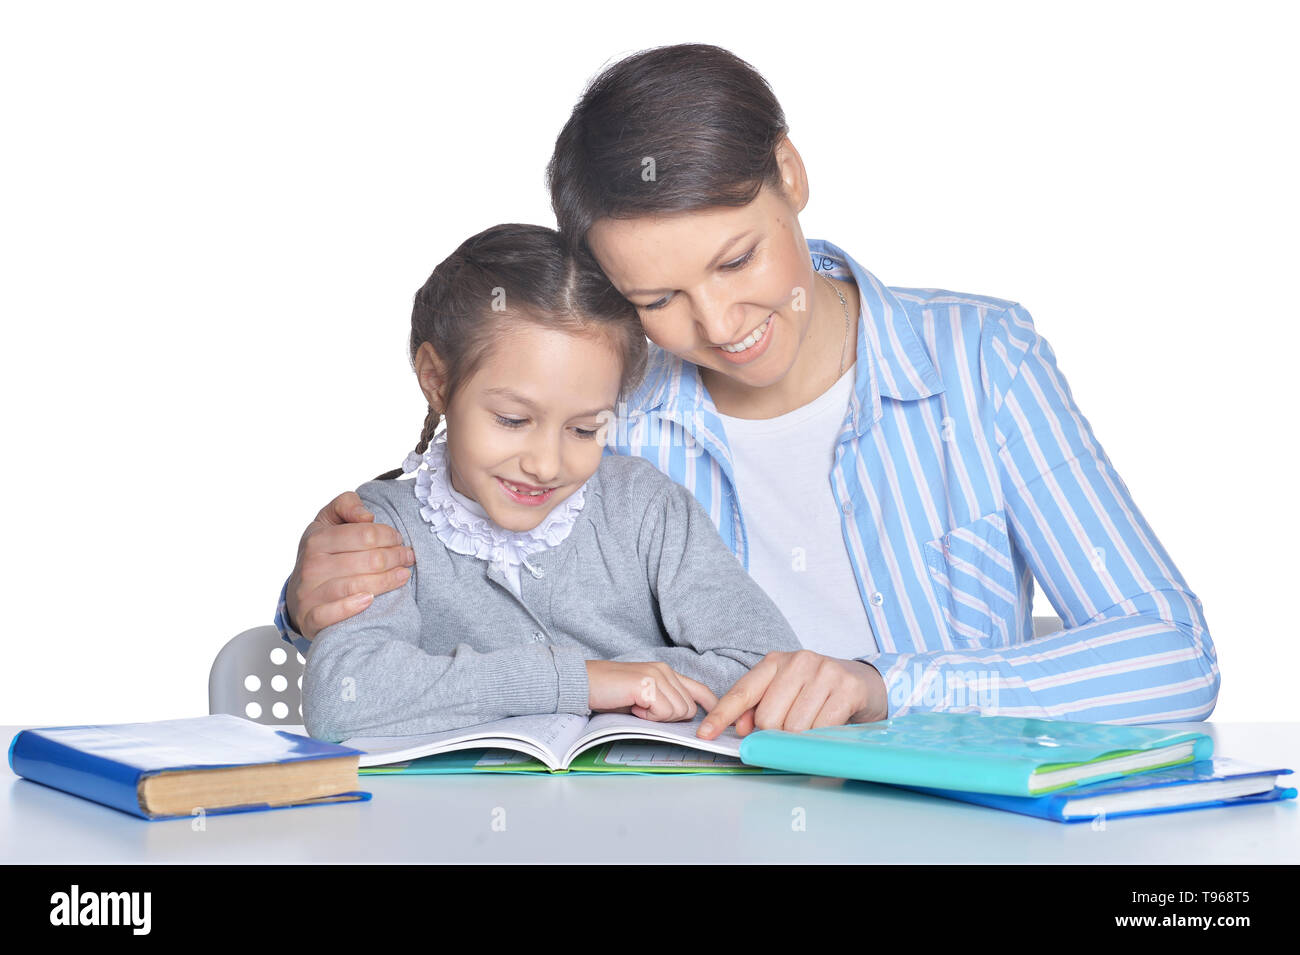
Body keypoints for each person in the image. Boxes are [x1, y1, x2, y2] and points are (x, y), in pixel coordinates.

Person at [279, 44, 1219, 738]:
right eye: (658, 299)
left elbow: (1174, 658)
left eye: (738, 259)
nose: (721, 323)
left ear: (790, 173)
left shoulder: (977, 360)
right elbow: (461, 538)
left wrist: (883, 682)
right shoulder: (608, 416)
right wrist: (314, 594)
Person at [299, 223, 803, 743]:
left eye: (585, 429)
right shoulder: (385, 528)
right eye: (513, 421)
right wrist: (580, 682)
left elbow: (769, 668)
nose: (545, 465)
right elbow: (342, 697)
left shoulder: (645, 508)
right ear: (437, 379)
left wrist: (627, 682)